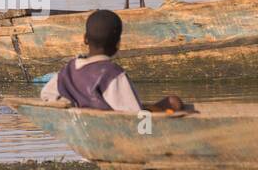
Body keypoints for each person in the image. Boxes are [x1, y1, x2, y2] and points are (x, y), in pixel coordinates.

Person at [39, 9, 190, 112]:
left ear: (85, 39)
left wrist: (74, 107)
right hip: (121, 132)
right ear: (118, 44)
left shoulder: (68, 70)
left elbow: (47, 96)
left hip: (87, 130)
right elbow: (133, 116)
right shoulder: (112, 74)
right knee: (173, 102)